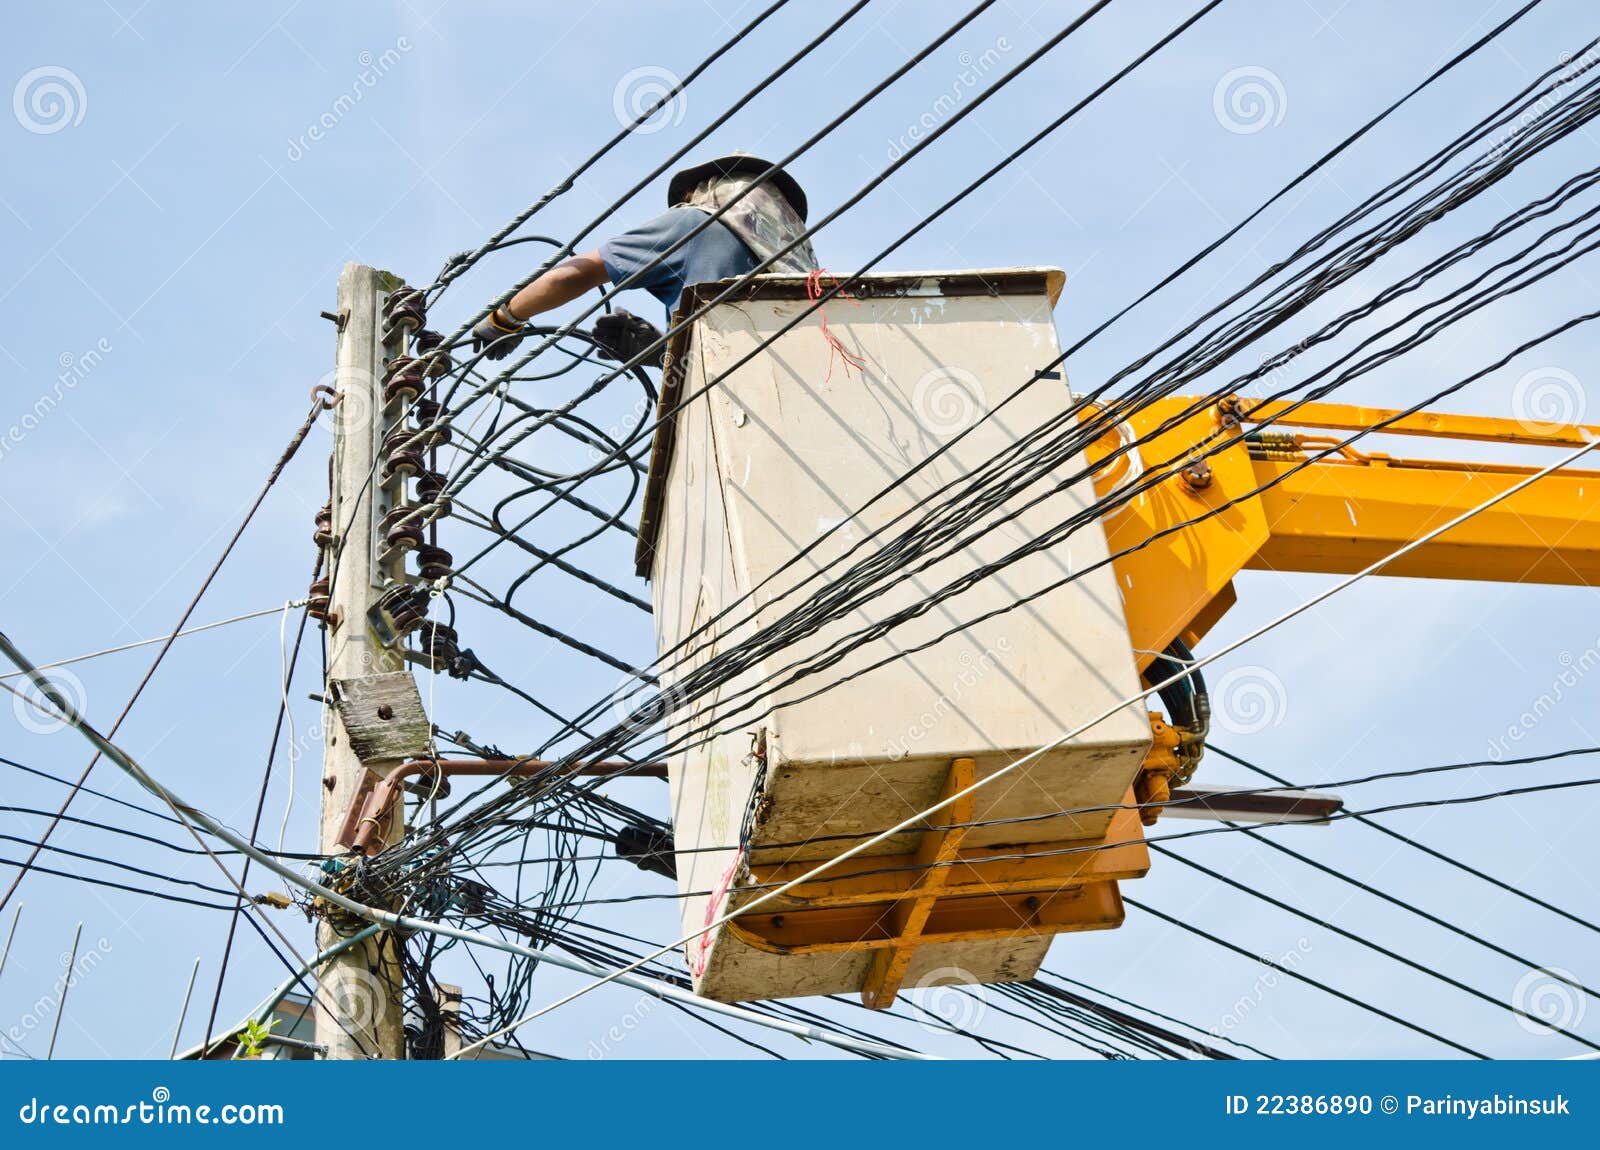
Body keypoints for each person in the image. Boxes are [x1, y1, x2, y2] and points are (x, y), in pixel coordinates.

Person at [471, 154, 818, 366]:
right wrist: (660, 352)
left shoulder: (694, 223)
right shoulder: (809, 284)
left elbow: (575, 275)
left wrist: (505, 318)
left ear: (705, 189)